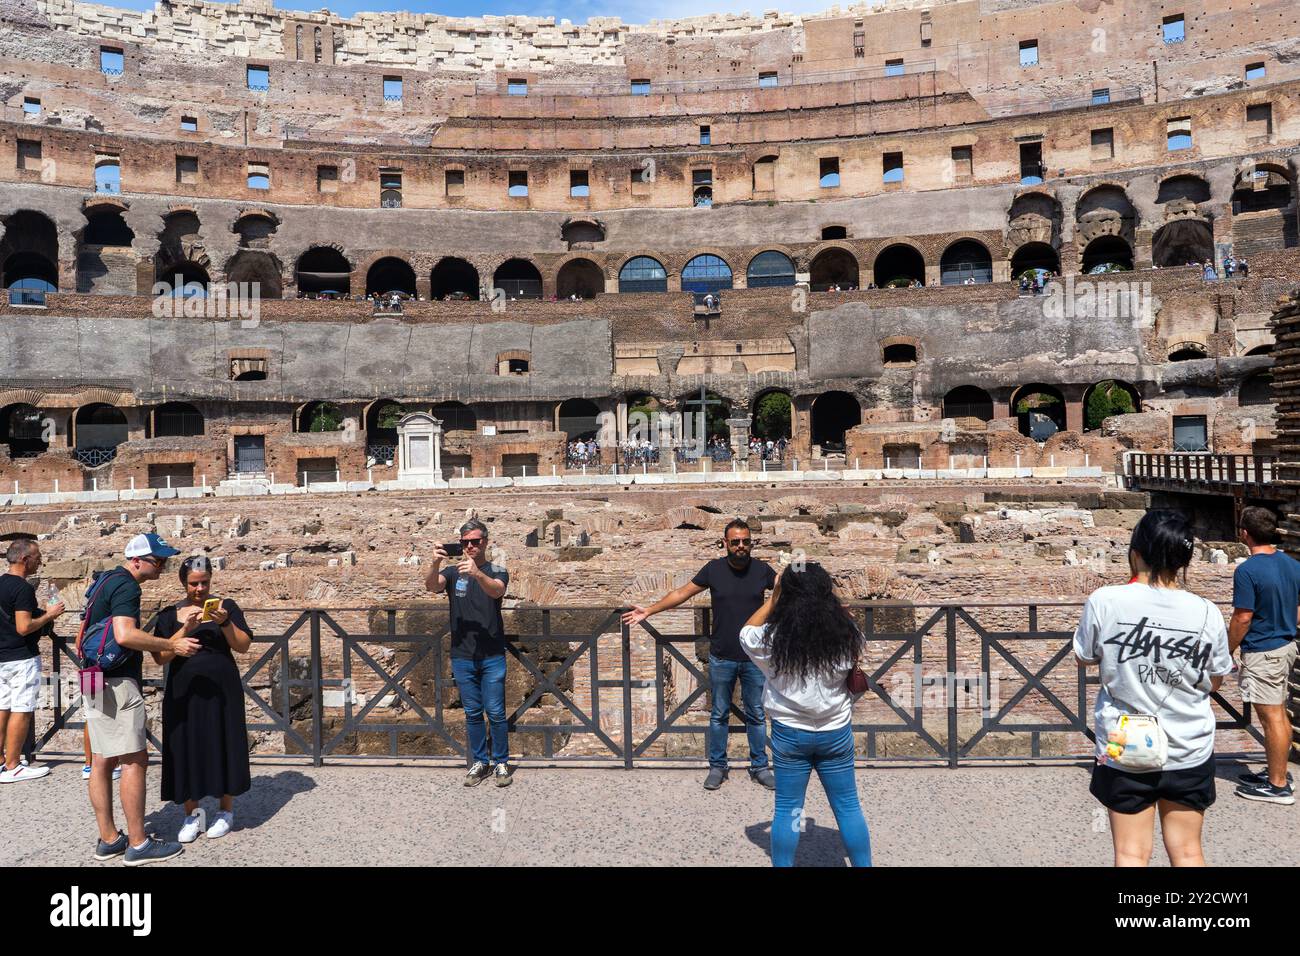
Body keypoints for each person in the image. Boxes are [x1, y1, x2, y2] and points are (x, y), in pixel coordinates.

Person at [1074, 510, 1233, 866]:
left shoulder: (1105, 600)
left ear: (1135, 553)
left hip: (1123, 742)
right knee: (1189, 851)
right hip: (1189, 744)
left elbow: (1085, 657)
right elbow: (1216, 678)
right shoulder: (1207, 611)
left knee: (1131, 854)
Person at [622, 519, 776, 790]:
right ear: (725, 543)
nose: (741, 546)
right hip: (722, 656)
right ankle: (717, 766)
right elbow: (682, 593)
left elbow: (791, 586)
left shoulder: (762, 570)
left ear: (751, 543)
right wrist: (649, 610)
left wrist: (827, 603)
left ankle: (760, 766)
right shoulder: (713, 569)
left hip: (754, 657)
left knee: (756, 714)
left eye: (746, 541)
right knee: (718, 714)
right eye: (735, 541)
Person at [739, 561, 871, 867]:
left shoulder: (771, 639)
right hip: (835, 733)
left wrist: (773, 598)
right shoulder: (847, 634)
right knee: (848, 807)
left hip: (790, 734)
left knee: (788, 809)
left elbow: (746, 632)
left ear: (786, 594)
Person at [83, 533, 200, 865]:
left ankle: (108, 839)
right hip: (117, 683)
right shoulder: (127, 586)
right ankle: (138, 843)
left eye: (164, 560)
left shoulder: (103, 580)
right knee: (134, 760)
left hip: (93, 677)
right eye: (157, 560)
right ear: (136, 560)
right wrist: (171, 646)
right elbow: (124, 634)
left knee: (103, 760)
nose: (163, 566)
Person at [151, 556, 253, 840]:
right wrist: (184, 631)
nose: (199, 589)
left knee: (224, 741)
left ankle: (225, 811)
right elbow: (160, 657)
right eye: (194, 583)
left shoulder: (226, 607)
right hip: (184, 690)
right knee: (186, 745)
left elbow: (243, 646)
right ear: (184, 583)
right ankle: (192, 815)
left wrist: (225, 624)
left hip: (222, 690)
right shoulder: (170, 614)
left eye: (204, 582)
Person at [424, 520, 512, 787]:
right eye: (465, 543)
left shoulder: (497, 570)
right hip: (463, 655)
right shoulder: (452, 572)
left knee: (495, 712)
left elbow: (497, 590)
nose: (470, 546)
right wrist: (435, 563)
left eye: (475, 541)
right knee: (472, 712)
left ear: (485, 541)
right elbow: (431, 586)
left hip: (492, 653)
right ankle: (479, 761)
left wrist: (476, 574)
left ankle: (501, 763)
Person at [1229, 507, 1298, 805]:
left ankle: (1278, 785)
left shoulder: (1247, 570)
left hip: (1263, 650)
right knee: (1279, 713)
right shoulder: (1293, 565)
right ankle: (1277, 770)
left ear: (1245, 533)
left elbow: (1243, 617)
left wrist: (1226, 646)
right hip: (1286, 646)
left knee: (1270, 719)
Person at [0, 540, 65, 783]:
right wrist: (50, 614)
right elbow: (24, 627)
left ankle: (1, 762)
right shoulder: (22, 588)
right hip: (21, 658)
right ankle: (14, 765)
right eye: (37, 556)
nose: (41, 561)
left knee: (3, 707)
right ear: (25, 559)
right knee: (22, 709)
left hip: (2, 657)